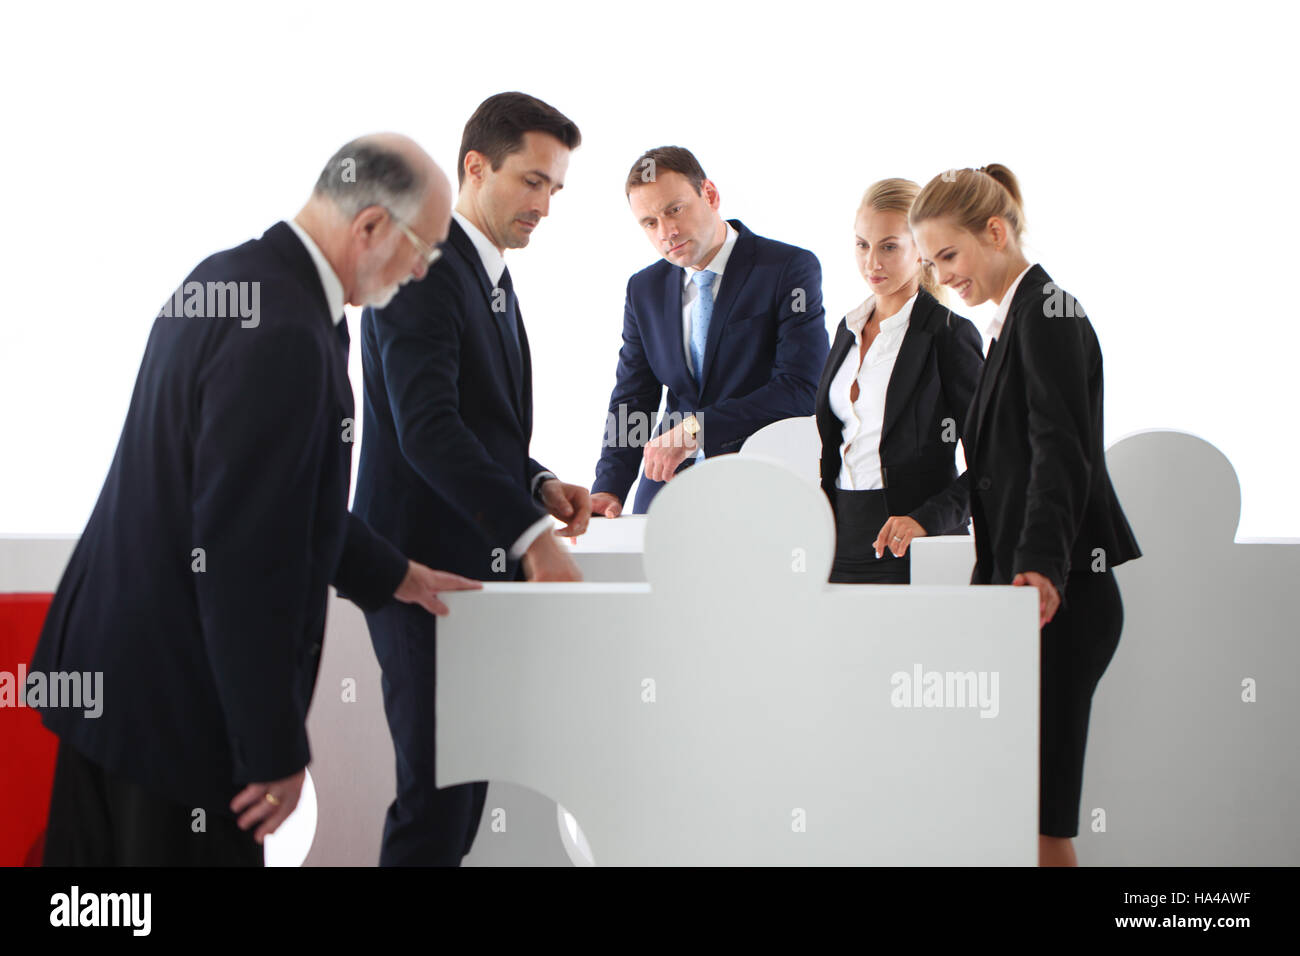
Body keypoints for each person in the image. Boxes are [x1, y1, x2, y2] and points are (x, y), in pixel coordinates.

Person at [30, 134, 481, 866]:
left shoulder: (234, 278)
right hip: (176, 707)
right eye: (424, 248)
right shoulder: (286, 334)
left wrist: (391, 572)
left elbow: (262, 498)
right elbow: (244, 560)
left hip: (111, 677)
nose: (425, 270)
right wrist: (272, 748)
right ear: (369, 226)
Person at [352, 93, 588, 866]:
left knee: (464, 795)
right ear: (474, 169)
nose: (545, 205)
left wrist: (538, 480)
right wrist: (531, 537)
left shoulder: (488, 273)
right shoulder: (425, 268)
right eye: (531, 181)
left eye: (555, 188)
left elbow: (476, 424)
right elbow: (426, 430)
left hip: (467, 574)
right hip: (423, 569)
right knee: (438, 799)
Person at [910, 164, 1142, 866]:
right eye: (929, 263)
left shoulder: (1047, 312)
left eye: (949, 255)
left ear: (997, 231)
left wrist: (1039, 565)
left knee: (1042, 823)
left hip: (1059, 594)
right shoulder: (1014, 320)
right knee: (1018, 813)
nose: (942, 275)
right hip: (1029, 592)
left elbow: (1060, 450)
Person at [589, 146, 829, 516]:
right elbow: (633, 396)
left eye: (674, 210)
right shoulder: (644, 289)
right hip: (670, 478)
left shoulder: (787, 268)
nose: (666, 232)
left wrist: (696, 429)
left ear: (711, 195)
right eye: (650, 223)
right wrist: (609, 487)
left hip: (760, 471)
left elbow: (801, 387)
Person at [815, 178, 983, 583]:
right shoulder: (847, 329)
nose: (872, 262)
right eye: (862, 245)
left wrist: (927, 520)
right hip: (836, 537)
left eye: (889, 246)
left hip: (914, 543)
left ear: (921, 250)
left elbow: (995, 459)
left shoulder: (947, 333)